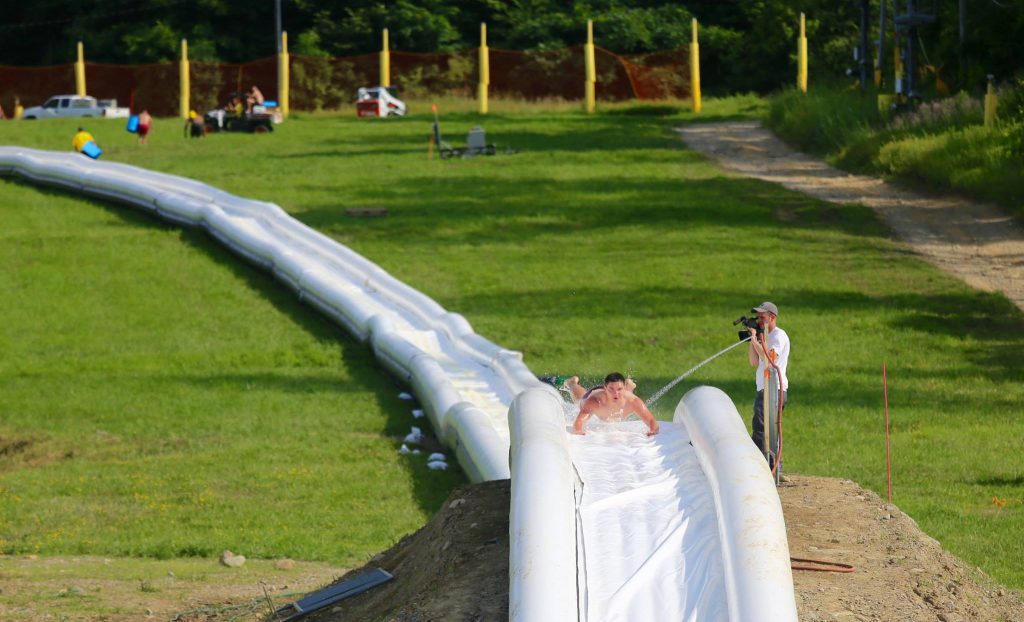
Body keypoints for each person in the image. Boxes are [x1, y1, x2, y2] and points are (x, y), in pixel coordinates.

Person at [746, 301, 790, 465]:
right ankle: (772, 465)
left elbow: (770, 359)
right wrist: (753, 340)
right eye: (757, 317)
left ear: (772, 317)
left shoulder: (779, 335)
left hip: (774, 388)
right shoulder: (764, 336)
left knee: (762, 426)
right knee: (765, 428)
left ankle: (762, 466)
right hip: (764, 388)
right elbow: (753, 361)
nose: (758, 320)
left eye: (762, 317)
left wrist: (758, 342)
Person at [570, 372, 659, 436]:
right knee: (580, 399)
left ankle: (629, 386)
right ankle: (572, 383)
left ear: (623, 388)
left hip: (625, 395)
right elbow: (579, 421)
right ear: (605, 388)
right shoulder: (595, 402)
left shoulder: (633, 401)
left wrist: (653, 430)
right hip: (595, 394)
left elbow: (651, 421)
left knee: (626, 395)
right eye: (611, 389)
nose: (615, 393)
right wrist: (578, 431)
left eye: (619, 389)